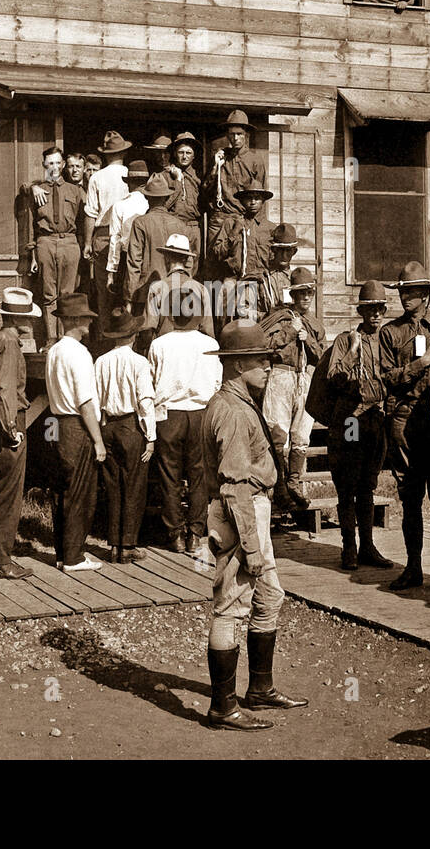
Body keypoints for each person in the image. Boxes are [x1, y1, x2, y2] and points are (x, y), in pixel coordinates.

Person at [202, 321, 307, 731]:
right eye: (261, 360)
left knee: (271, 596)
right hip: (238, 515)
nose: (268, 366)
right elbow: (233, 487)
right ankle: (221, 708)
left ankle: (259, 688)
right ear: (236, 363)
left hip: (254, 511)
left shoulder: (241, 402)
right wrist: (249, 547)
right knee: (230, 607)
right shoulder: (229, 411)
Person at [380, 262, 430, 591]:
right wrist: (422, 363)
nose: (405, 297)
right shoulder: (391, 332)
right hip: (405, 417)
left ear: (426, 295)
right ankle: (413, 568)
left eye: (411, 291)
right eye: (402, 291)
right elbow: (387, 378)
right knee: (411, 497)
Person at [322, 281, 395, 571]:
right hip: (351, 419)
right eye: (369, 309)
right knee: (347, 484)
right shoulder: (346, 339)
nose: (375, 314)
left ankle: (367, 547)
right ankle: (348, 548)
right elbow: (334, 377)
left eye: (379, 309)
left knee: (368, 484)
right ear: (361, 311)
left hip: (376, 419)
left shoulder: (387, 340)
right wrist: (352, 352)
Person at [149, 290, 223, 556]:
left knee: (169, 477)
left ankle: (175, 534)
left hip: (169, 415)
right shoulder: (209, 344)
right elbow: (216, 383)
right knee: (198, 476)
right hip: (201, 413)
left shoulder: (159, 344)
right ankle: (194, 533)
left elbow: (153, 380)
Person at [0, 287, 39, 580]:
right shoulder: (11, 345)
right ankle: (1, 561)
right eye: (28, 318)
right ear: (19, 320)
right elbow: (5, 390)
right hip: (7, 423)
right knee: (7, 493)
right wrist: (11, 428)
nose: (32, 323)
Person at [46, 293, 107, 572]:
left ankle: (63, 551)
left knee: (61, 489)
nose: (89, 323)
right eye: (84, 318)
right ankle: (74, 556)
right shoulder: (79, 353)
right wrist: (98, 440)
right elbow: (85, 401)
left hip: (56, 422)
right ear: (72, 320)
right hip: (75, 424)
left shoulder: (55, 350)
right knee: (81, 490)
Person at [259, 267, 325, 510]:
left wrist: (306, 337)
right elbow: (266, 346)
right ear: (293, 296)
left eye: (309, 293)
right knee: (278, 436)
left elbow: (321, 356)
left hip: (305, 381)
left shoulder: (315, 325)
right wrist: (290, 331)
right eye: (301, 294)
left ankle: (294, 483)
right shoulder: (278, 319)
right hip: (281, 378)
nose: (306, 298)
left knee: (301, 436)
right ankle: (279, 488)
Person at [95, 310, 157, 563]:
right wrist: (150, 436)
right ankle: (128, 545)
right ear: (133, 336)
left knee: (112, 486)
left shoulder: (100, 361)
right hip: (131, 427)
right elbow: (145, 401)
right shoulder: (140, 363)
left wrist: (102, 425)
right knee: (134, 486)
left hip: (108, 425)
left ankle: (113, 545)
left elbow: (96, 398)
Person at [26, 148, 85, 346]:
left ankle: (66, 338)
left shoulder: (75, 191)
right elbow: (31, 223)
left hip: (69, 242)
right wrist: (33, 254)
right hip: (46, 242)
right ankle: (51, 338)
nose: (54, 167)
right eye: (50, 163)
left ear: (63, 165)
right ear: (44, 165)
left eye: (58, 163)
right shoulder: (37, 190)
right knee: (48, 292)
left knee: (67, 293)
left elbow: (86, 219)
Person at [84, 131, 132, 341]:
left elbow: (90, 213)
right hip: (129, 236)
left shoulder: (96, 177)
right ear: (123, 153)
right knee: (127, 287)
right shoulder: (132, 175)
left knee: (105, 290)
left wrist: (87, 243)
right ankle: (127, 334)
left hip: (103, 235)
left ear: (105, 155)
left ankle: (106, 336)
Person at [124, 171, 191, 315]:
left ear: (147, 197)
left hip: (145, 290)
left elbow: (134, 262)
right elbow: (188, 261)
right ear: (167, 198)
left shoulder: (140, 223)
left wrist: (129, 297)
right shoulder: (180, 224)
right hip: (174, 290)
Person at [210, 186, 275, 322]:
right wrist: (234, 234)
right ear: (242, 201)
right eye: (248, 198)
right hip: (235, 279)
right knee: (225, 311)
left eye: (257, 198)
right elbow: (217, 253)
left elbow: (277, 258)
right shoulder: (231, 223)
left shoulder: (270, 228)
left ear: (263, 201)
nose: (252, 202)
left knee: (267, 316)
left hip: (261, 280)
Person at [143, 233, 215, 340]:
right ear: (186, 259)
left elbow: (149, 329)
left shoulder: (157, 288)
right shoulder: (201, 289)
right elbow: (208, 330)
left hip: (165, 349)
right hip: (193, 349)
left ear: (166, 258)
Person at [206, 110, 267, 233]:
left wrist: (256, 224)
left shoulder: (255, 160)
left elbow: (261, 195)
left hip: (242, 218)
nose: (235, 138)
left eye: (239, 134)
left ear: (246, 135)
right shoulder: (220, 157)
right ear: (227, 135)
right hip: (220, 219)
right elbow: (206, 190)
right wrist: (215, 167)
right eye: (232, 134)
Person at [107, 159, 150, 312]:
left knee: (125, 303)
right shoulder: (150, 204)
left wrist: (112, 272)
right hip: (147, 258)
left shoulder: (120, 205)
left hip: (127, 259)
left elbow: (115, 240)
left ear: (128, 183)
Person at [163, 131, 204, 254]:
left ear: (194, 156)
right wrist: (177, 181)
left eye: (188, 153)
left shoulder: (199, 177)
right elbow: (164, 205)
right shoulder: (165, 176)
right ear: (175, 154)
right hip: (173, 225)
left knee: (193, 263)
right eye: (181, 152)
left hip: (193, 226)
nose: (184, 156)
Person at [259, 223, 300, 315]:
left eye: (288, 250)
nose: (284, 255)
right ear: (273, 250)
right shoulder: (262, 278)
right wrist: (268, 314)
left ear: (294, 252)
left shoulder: (295, 279)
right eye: (280, 249)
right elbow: (245, 312)